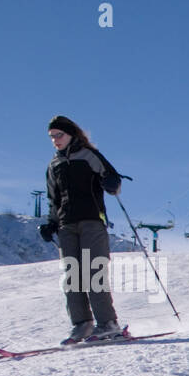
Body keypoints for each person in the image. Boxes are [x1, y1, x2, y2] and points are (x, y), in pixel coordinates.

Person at [39, 115, 125, 343]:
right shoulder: (54, 165)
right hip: (66, 225)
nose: (55, 140)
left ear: (71, 134)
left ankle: (108, 323)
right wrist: (51, 222)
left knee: (93, 271)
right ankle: (82, 324)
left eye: (59, 135)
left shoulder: (89, 155)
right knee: (72, 276)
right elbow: (53, 198)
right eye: (51, 137)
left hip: (92, 221)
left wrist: (111, 184)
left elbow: (113, 181)